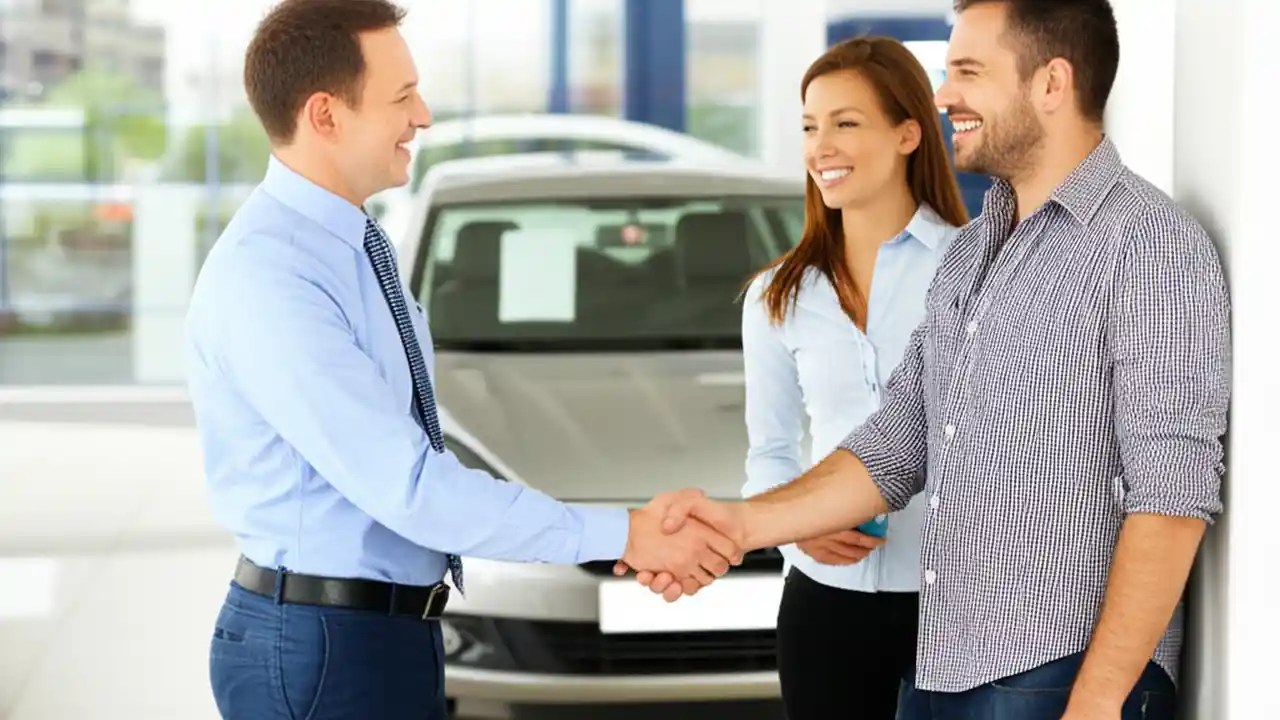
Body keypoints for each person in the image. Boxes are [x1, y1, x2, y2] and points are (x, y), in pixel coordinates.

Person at [632, 1, 1230, 718]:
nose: (944, 95)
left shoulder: (1147, 245)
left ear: (1052, 83)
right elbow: (898, 442)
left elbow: (1171, 497)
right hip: (945, 671)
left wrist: (1098, 701)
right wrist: (740, 524)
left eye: (967, 73)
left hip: (1062, 678)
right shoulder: (974, 253)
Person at [185, 1, 739, 718]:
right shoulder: (275, 277)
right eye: (401, 96)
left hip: (380, 632)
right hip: (324, 645)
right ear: (325, 115)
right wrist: (628, 532)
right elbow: (412, 487)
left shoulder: (351, 247)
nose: (423, 116)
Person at [740, 37, 967, 720]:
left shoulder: (974, 269)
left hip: (959, 603)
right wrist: (793, 527)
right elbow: (770, 454)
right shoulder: (776, 296)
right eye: (810, 126)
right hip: (824, 605)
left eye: (845, 123)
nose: (821, 147)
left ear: (907, 133)